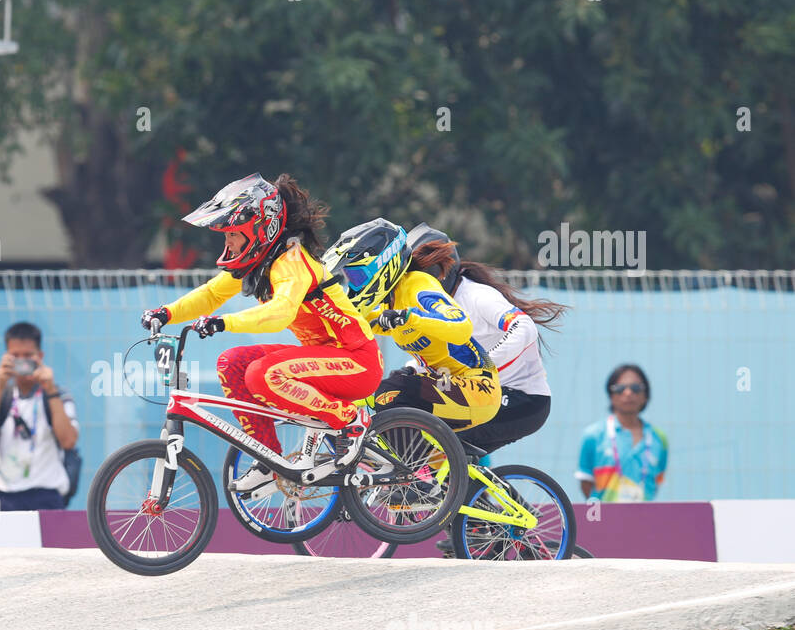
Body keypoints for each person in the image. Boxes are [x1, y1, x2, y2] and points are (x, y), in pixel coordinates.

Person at [140, 173, 382, 493]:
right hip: (324, 358)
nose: (227, 243)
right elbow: (211, 295)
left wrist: (224, 323)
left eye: (232, 234)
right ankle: (268, 459)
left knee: (263, 375)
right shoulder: (260, 259)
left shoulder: (292, 262)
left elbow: (280, 313)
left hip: (357, 361)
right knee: (232, 364)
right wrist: (166, 313)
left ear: (258, 230)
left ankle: (350, 420)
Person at [400, 226, 568, 452]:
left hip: (524, 400)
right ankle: (466, 488)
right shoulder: (433, 304)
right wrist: (411, 368)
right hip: (482, 391)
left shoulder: (476, 296)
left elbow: (524, 327)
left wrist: (484, 364)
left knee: (438, 438)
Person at [328, 219, 502, 433]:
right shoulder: (390, 299)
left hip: (478, 389)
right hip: (446, 384)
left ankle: (394, 463)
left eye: (356, 276)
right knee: (361, 395)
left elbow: (461, 326)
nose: (354, 284)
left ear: (381, 267)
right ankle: (398, 463)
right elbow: (362, 320)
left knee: (390, 391)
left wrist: (410, 316)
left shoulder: (417, 285)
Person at [0, 321, 80, 511]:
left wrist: (50, 389)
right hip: (1, 495)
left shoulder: (58, 394)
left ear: (40, 356)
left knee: (52, 543)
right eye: (15, 357)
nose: (22, 362)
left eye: (28, 356)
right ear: (6, 357)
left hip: (46, 495)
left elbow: (69, 441)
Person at [577, 364, 668, 502]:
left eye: (636, 388)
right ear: (611, 396)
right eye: (620, 389)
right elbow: (586, 483)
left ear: (645, 396)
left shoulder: (659, 438)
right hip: (604, 520)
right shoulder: (593, 435)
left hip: (645, 520)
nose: (628, 393)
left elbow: (656, 481)